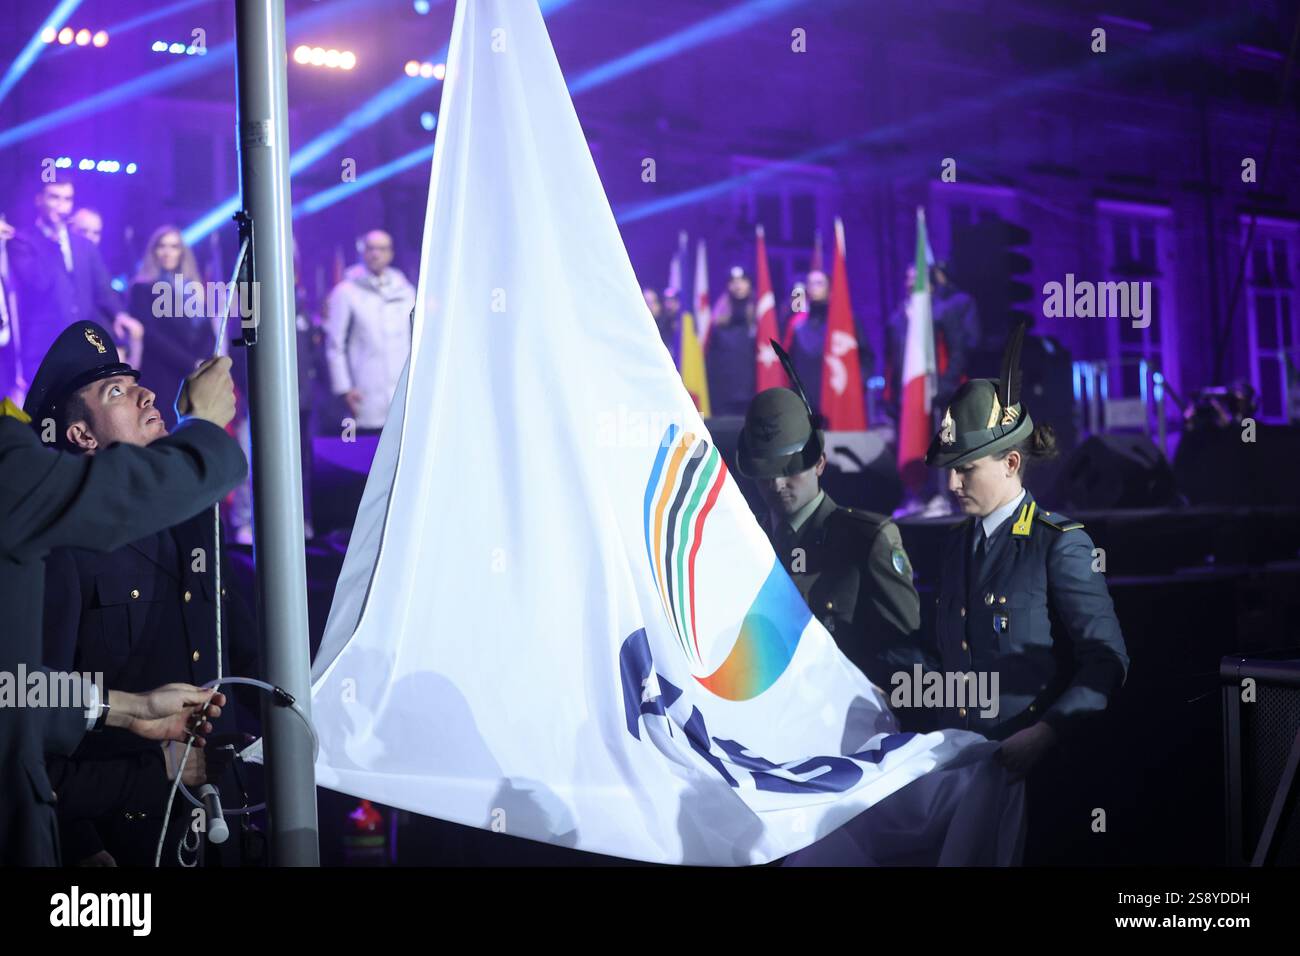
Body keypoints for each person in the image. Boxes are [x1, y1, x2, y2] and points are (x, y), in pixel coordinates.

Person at [0, 320, 246, 865]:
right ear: (82, 437)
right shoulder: (54, 547)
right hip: (121, 842)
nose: (145, 393)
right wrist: (86, 846)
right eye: (115, 391)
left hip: (209, 826)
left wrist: (130, 708)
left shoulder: (189, 525)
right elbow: (23, 715)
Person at [924, 324, 1128, 771]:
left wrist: (1047, 732)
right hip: (960, 763)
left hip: (1031, 770)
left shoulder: (1059, 546)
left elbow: (1106, 661)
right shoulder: (957, 543)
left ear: (1011, 463)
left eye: (966, 469)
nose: (952, 483)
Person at [735, 382, 929, 728]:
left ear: (820, 463)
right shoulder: (744, 542)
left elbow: (910, 652)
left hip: (847, 728)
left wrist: (883, 697)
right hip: (762, 724)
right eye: (766, 473)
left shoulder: (866, 540)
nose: (777, 485)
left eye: (789, 470)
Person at [6, 180, 140, 389]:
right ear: (39, 199)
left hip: (81, 347)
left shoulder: (83, 245)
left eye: (67, 199)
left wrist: (119, 314)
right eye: (54, 197)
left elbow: (103, 287)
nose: (61, 205)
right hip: (43, 349)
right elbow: (38, 284)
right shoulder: (23, 241)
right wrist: (51, 243)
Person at [323, 230, 416, 433]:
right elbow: (335, 344)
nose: (376, 254)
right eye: (371, 248)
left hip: (402, 391)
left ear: (390, 253)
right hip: (365, 393)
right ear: (362, 252)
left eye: (382, 249)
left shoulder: (406, 291)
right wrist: (344, 388)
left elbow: (416, 339)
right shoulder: (346, 292)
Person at [128, 226, 211, 426]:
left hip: (194, 376)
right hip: (162, 373)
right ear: (153, 251)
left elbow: (208, 332)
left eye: (174, 246)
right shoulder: (142, 288)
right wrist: (191, 363)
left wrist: (206, 363)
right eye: (162, 246)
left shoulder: (194, 288)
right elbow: (151, 336)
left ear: (182, 251)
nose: (167, 252)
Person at [705, 266, 757, 416]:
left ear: (749, 284)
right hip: (724, 394)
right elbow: (711, 359)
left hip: (751, 393)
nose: (738, 285)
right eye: (733, 281)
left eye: (742, 280)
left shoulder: (759, 317)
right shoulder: (717, 321)